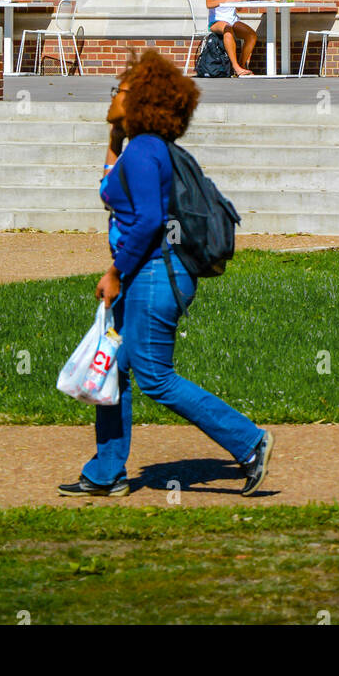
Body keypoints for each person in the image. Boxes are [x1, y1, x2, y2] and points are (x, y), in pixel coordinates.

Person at [58, 48, 274, 499]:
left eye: (120, 90)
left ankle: (250, 442)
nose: (113, 95)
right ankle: (106, 473)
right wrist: (114, 138)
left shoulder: (144, 153)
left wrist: (115, 271)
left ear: (141, 101)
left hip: (153, 274)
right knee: (115, 369)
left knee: (155, 377)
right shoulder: (144, 149)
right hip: (149, 272)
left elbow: (149, 221)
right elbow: (110, 190)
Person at [206, 0, 257, 77]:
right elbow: (209, 4)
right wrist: (228, 0)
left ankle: (241, 66)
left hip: (232, 19)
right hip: (217, 21)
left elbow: (238, 9)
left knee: (251, 35)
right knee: (228, 29)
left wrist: (239, 3)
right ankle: (236, 67)